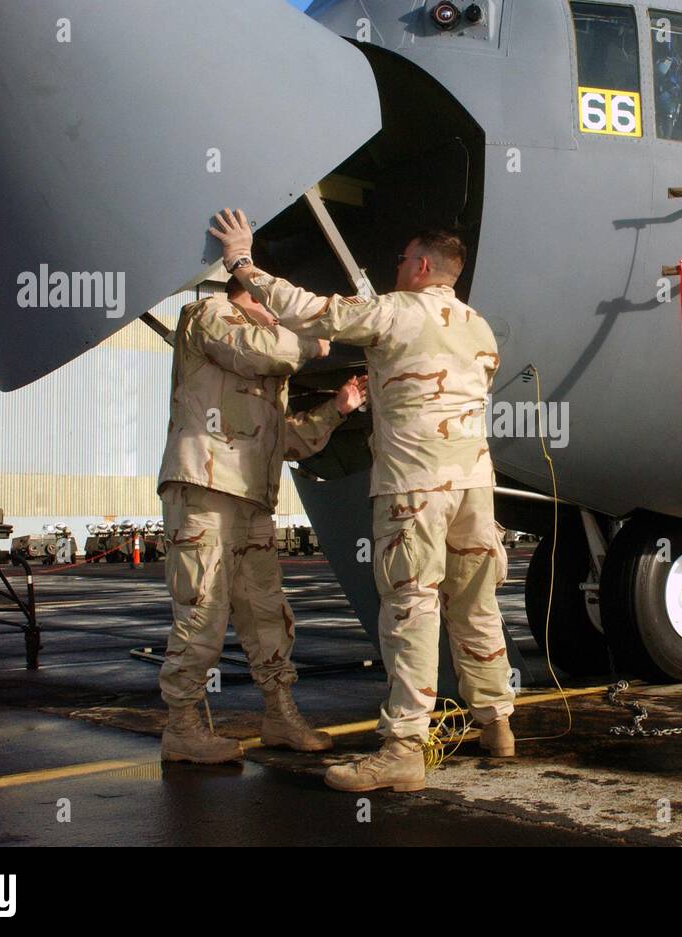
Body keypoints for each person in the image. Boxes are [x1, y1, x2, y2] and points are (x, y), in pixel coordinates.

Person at [208, 209, 516, 792]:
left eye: (402, 259)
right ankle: (497, 722)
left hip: (414, 487)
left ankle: (403, 748)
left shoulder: (396, 311)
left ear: (423, 265)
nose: (396, 267)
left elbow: (310, 310)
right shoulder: (480, 328)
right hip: (474, 488)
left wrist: (242, 263)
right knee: (475, 605)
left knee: (410, 610)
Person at [157, 265, 367, 764]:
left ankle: (279, 713)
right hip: (204, 489)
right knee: (203, 607)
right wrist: (312, 343)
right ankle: (182, 726)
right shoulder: (207, 315)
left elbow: (284, 441)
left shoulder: (270, 370)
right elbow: (256, 350)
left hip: (251, 499)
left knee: (267, 612)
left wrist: (339, 407)